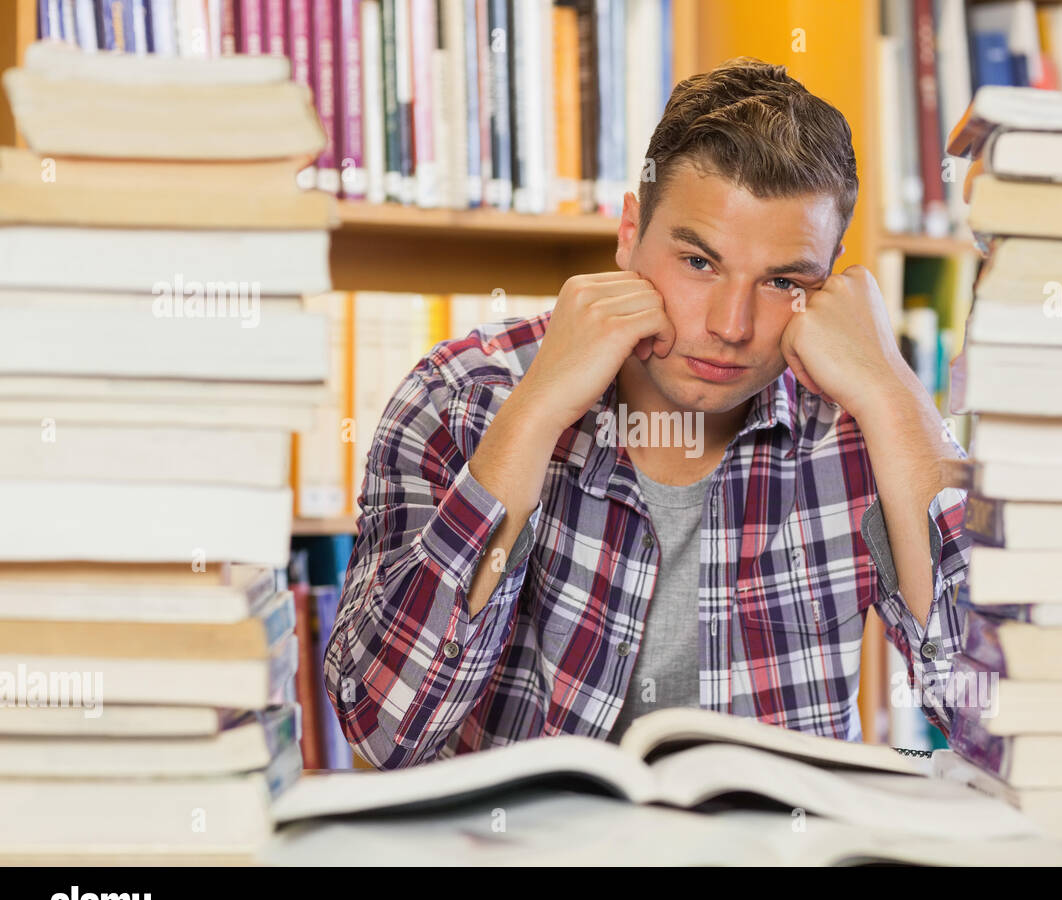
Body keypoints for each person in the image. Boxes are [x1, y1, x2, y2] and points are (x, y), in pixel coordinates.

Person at [324, 57, 969, 769]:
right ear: (630, 233)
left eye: (783, 280)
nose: (731, 325)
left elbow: (995, 718)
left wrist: (895, 393)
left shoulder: (857, 425)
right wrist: (534, 411)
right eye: (699, 263)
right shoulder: (460, 395)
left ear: (831, 280)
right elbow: (384, 731)